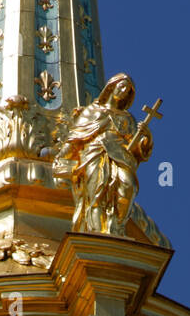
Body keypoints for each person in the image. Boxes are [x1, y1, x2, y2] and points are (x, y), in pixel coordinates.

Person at [53, 73, 156, 235]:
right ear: (111, 86)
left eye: (127, 90)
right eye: (121, 86)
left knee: (127, 187)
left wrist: (146, 135)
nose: (122, 90)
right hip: (96, 152)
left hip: (122, 157)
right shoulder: (92, 111)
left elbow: (137, 149)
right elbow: (75, 137)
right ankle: (96, 230)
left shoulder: (127, 119)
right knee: (96, 192)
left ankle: (116, 226)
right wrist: (61, 158)